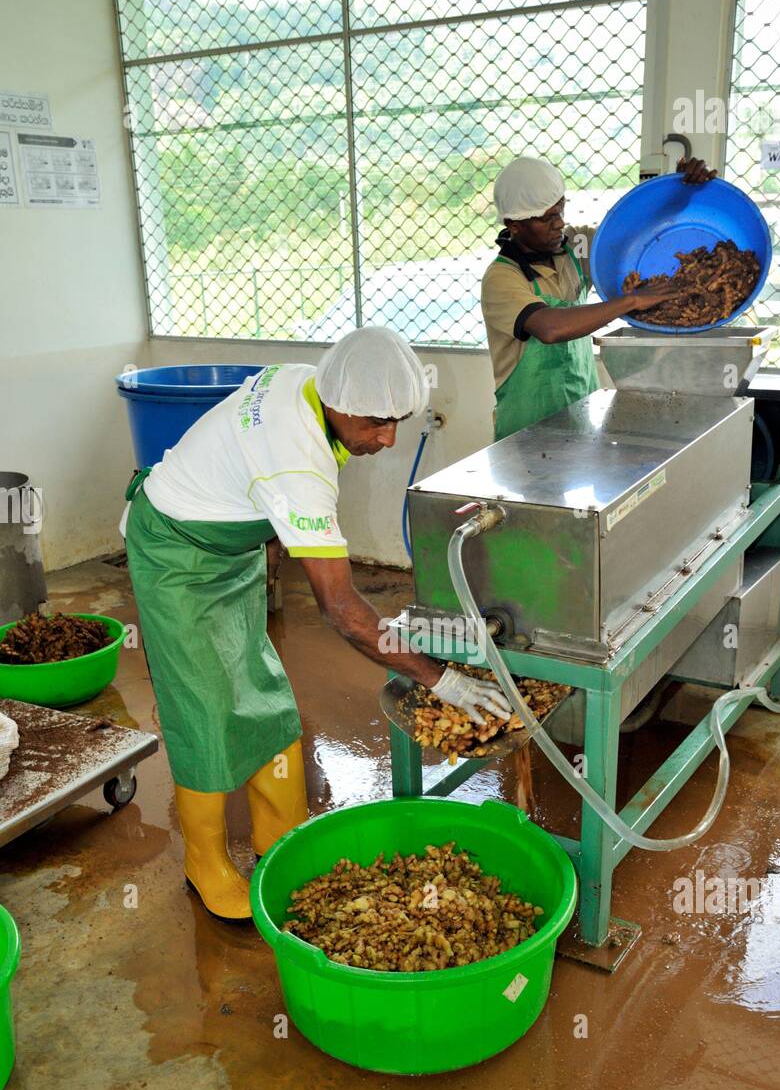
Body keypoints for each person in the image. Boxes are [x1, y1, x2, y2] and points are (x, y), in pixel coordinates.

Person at [122, 327, 509, 922]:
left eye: (397, 421)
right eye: (377, 423)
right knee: (203, 708)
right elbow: (346, 614)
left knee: (262, 694)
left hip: (228, 551)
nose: (388, 438)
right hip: (177, 556)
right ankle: (205, 865)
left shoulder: (310, 380)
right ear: (341, 403)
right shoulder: (297, 467)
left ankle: (282, 839)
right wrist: (442, 681)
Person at [481, 155, 717, 439]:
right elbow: (549, 327)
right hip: (523, 434)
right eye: (546, 218)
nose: (559, 224)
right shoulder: (501, 278)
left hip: (579, 419)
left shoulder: (575, 247)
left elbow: (636, 231)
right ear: (514, 224)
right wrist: (632, 301)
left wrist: (677, 188)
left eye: (560, 210)